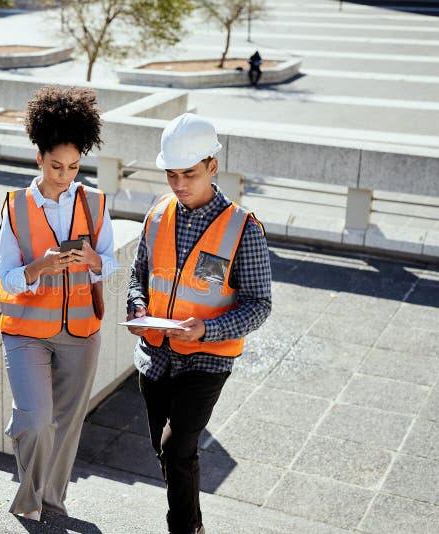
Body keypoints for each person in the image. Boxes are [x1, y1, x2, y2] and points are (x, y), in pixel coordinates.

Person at [126, 113, 272, 534]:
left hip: (206, 359)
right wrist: (138, 308)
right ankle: (194, 525)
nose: (178, 184)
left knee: (176, 448)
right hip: (154, 356)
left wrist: (206, 330)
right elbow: (139, 277)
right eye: (171, 174)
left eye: (188, 174)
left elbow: (259, 305)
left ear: (213, 166)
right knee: (166, 450)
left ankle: (185, 529)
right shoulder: (156, 216)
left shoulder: (244, 229)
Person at [0, 86, 119, 521]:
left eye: (73, 166)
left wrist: (93, 261)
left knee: (66, 429)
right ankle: (29, 502)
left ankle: (51, 504)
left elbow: (110, 262)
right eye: (55, 166)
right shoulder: (15, 207)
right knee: (34, 421)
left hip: (82, 333)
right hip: (26, 331)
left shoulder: (95, 202)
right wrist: (38, 268)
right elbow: (6, 276)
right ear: (38, 157)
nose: (65, 176)